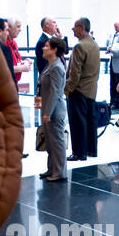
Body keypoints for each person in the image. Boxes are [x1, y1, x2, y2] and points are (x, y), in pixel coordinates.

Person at [65, 17, 101, 161]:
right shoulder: (94, 44)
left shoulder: (79, 46)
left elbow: (75, 73)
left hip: (78, 90)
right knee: (90, 121)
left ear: (81, 27)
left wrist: (67, 89)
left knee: (77, 122)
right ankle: (91, 149)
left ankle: (79, 152)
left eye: (74, 27)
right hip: (91, 89)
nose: (73, 30)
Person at [38, 35, 69, 182]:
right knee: (50, 142)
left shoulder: (57, 67)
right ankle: (52, 169)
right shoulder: (50, 64)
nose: (44, 48)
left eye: (47, 46)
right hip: (48, 109)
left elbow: (55, 92)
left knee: (57, 142)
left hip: (54, 111)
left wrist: (47, 113)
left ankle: (59, 172)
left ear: (55, 50)